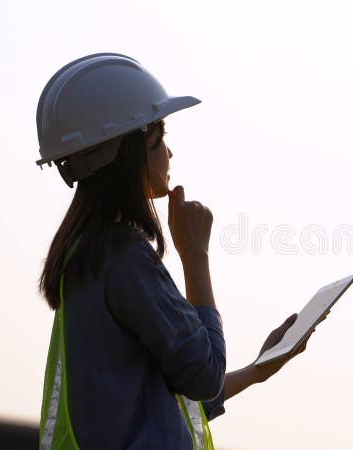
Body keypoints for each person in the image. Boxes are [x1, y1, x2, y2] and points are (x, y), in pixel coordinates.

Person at [35, 53, 319, 449]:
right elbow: (204, 375)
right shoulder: (124, 258)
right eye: (158, 139)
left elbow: (161, 395)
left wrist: (257, 370)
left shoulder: (86, 256)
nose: (169, 153)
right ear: (126, 153)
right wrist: (195, 256)